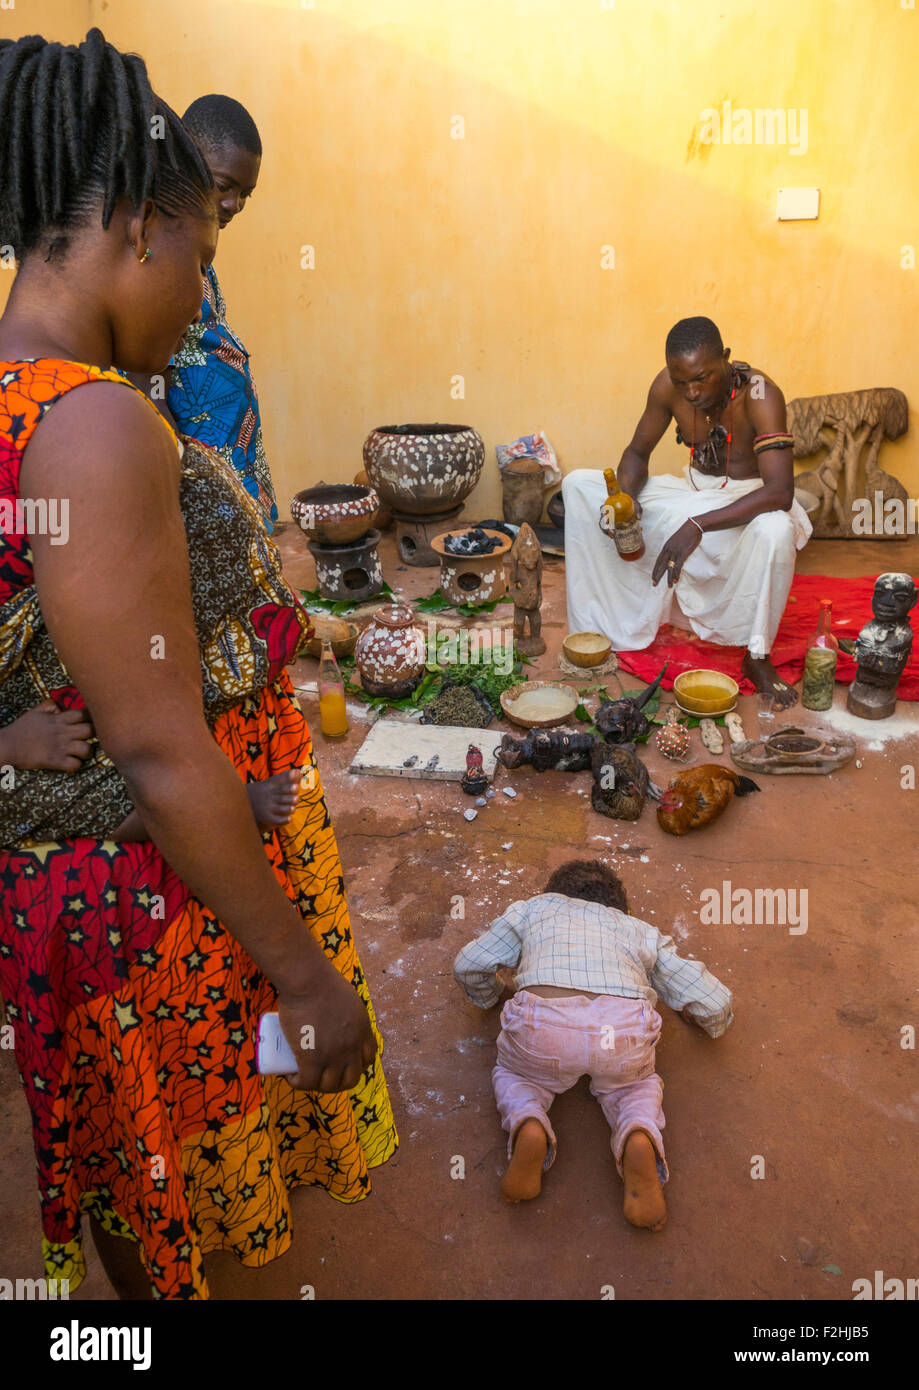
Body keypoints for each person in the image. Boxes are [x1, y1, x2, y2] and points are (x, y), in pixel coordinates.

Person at [0, 30, 395, 1300]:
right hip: (136, 899)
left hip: (59, 894)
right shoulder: (95, 420)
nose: (203, 296)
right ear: (138, 229)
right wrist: (307, 976)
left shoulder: (15, 395)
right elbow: (163, 752)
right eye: (204, 255)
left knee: (121, 1161)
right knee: (153, 1167)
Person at [453, 859, 733, 1230]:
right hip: (621, 1032)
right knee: (634, 1088)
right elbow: (715, 999)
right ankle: (637, 1131)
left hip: (545, 1026)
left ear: (551, 895)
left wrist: (489, 997)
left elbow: (468, 964)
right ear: (620, 909)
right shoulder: (639, 929)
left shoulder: (533, 909)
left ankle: (528, 1120)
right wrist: (705, 1020)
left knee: (518, 1076)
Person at [563, 317, 812, 708]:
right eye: (682, 383)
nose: (692, 392)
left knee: (777, 530)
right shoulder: (667, 385)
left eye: (702, 378)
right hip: (691, 492)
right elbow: (636, 454)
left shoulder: (761, 393)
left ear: (725, 360)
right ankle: (601, 625)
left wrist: (697, 525)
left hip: (749, 501)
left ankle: (757, 656)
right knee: (578, 485)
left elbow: (780, 492)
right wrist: (624, 503)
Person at [165, 94, 278, 528]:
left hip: (235, 473)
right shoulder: (159, 258)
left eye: (245, 194)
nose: (234, 205)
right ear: (186, 157)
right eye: (225, 185)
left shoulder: (200, 260)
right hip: (201, 486)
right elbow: (150, 377)